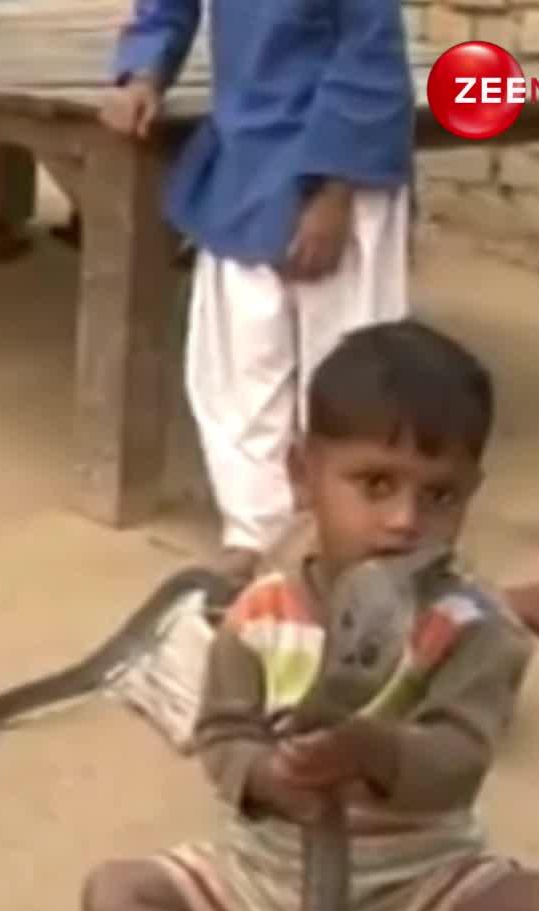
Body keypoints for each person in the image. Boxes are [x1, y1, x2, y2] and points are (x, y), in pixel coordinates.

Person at [80, 321, 539, 911]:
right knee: (115, 896)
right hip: (264, 884)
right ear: (303, 475)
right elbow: (224, 735)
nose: (404, 521)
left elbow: (461, 760)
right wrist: (270, 778)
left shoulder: (477, 628)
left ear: (472, 495)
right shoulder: (259, 614)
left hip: (418, 890)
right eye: (375, 484)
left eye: (440, 495)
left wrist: (380, 754)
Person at [101, 0, 414, 584]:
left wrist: (336, 188)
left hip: (340, 158)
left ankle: (347, 533)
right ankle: (256, 531)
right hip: (247, 153)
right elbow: (166, 8)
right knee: (238, 363)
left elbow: (370, 51)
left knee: (348, 366)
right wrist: (145, 76)